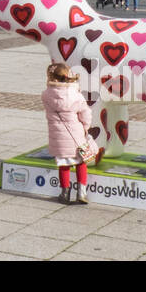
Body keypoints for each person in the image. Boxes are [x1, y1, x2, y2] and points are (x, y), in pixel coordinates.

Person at [42, 62, 93, 205]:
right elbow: (86, 113)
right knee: (81, 163)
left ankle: (64, 193)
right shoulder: (75, 95)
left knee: (64, 165)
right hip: (76, 135)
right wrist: (85, 127)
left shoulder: (46, 95)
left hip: (58, 137)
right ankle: (81, 192)